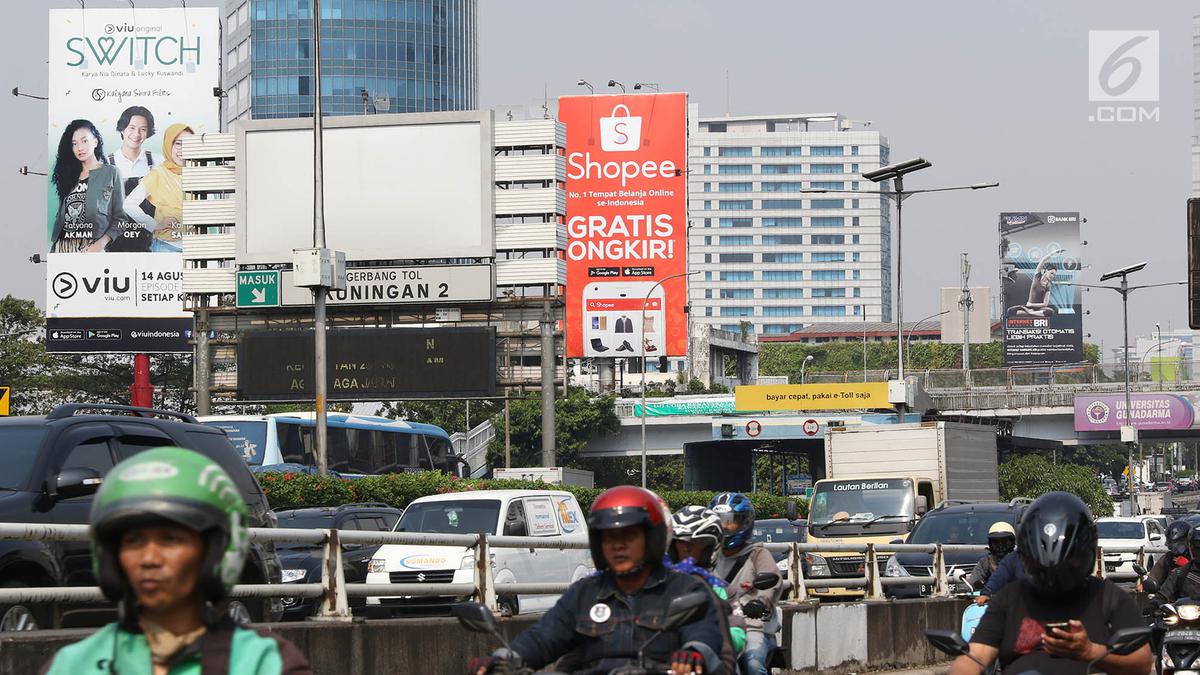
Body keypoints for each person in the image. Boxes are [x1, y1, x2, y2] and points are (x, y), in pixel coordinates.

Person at [40, 447, 312, 675]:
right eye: (133, 541)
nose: (149, 559)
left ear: (214, 550)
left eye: (170, 539)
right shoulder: (73, 665)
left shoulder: (263, 664)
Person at [468, 486, 733, 675]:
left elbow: (703, 634)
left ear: (652, 539)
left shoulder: (685, 590)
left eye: (628, 536)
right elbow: (543, 637)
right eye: (608, 538)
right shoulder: (585, 593)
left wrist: (692, 653)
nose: (618, 546)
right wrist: (503, 658)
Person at [949, 492, 1153, 675]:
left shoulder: (1109, 598)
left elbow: (1142, 663)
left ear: (1083, 556)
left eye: (1065, 565)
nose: (1054, 576)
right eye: (1042, 565)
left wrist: (1090, 651)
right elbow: (975, 656)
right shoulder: (1009, 600)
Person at [710, 492, 782, 675]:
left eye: (730, 520)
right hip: (713, 624)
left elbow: (773, 581)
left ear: (744, 522)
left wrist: (760, 602)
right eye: (720, 520)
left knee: (753, 665)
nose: (725, 526)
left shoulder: (757, 554)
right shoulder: (708, 556)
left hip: (751, 626)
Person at [668, 505, 747, 655]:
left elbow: (737, 633)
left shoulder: (722, 590)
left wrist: (709, 641)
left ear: (710, 547)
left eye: (694, 542)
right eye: (681, 542)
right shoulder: (659, 584)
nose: (685, 548)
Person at [50, 119, 128, 253]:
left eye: (84, 141)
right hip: (62, 247)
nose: (79, 147)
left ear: (95, 142)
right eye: (74, 144)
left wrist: (100, 244)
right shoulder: (69, 176)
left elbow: (121, 219)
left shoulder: (110, 172)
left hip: (92, 247)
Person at [125, 123, 194, 253]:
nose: (183, 150)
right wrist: (154, 225)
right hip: (167, 247)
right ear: (169, 145)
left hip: (196, 248)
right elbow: (129, 204)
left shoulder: (200, 174)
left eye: (189, 144)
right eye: (178, 144)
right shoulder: (159, 174)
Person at [109, 105, 157, 196]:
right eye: (132, 128)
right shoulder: (105, 164)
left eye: (143, 129)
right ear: (122, 129)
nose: (137, 133)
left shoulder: (158, 161)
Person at [1150, 525, 1200, 607]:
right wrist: (1154, 605)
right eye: (1197, 545)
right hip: (1187, 614)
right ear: (1191, 546)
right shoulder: (1181, 572)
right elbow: (1163, 594)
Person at [1008, 248, 1064, 318]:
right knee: (1010, 310)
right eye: (1051, 273)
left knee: (1050, 311)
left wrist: (1032, 305)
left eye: (1054, 275)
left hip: (1038, 308)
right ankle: (1033, 313)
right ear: (1046, 271)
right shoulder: (1037, 276)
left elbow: (1045, 304)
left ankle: (1029, 313)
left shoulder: (1048, 286)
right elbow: (1043, 260)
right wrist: (1055, 252)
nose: (1052, 276)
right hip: (1028, 307)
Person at [965, 521, 1016, 592]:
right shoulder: (985, 562)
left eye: (1004, 542)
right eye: (996, 542)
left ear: (1012, 543)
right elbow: (971, 586)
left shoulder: (1020, 561)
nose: (1000, 546)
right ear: (990, 544)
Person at [1145, 520, 1191, 589]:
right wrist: (1147, 583)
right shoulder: (1168, 558)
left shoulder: (1195, 556)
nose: (1167, 545)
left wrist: (1188, 565)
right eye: (1168, 541)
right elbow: (1156, 574)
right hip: (1170, 596)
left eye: (1172, 542)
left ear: (1185, 541)